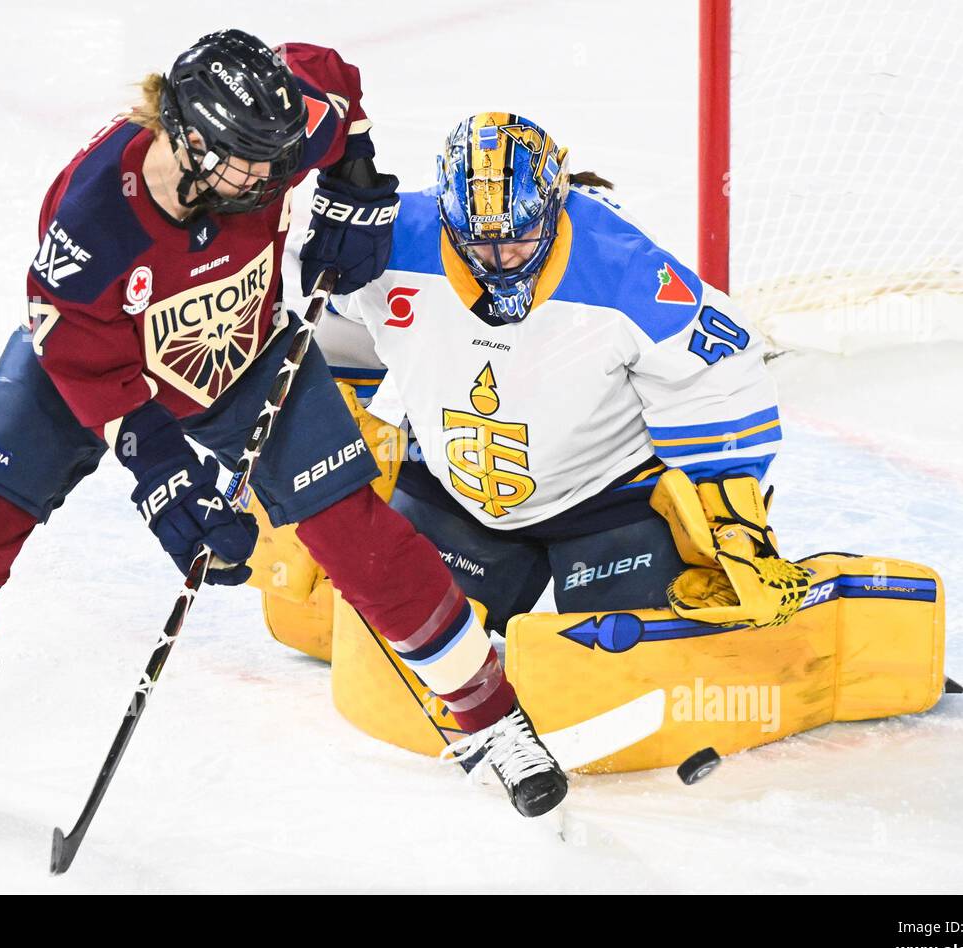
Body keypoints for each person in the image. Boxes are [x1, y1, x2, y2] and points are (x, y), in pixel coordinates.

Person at [0, 38, 566, 820]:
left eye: (273, 164)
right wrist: (163, 479)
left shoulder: (268, 133)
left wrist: (356, 178)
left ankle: (491, 720)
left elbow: (336, 92)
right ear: (184, 135)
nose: (261, 182)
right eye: (241, 166)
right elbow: (86, 362)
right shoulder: (89, 220)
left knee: (359, 535)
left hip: (245, 358)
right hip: (94, 368)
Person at [308, 112, 799, 636]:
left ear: (555, 201)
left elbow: (715, 374)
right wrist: (330, 428)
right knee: (383, 641)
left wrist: (724, 508)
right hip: (449, 488)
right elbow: (333, 324)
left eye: (520, 237)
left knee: (630, 652)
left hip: (609, 501)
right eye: (479, 243)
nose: (501, 258)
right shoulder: (393, 241)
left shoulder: (624, 268)